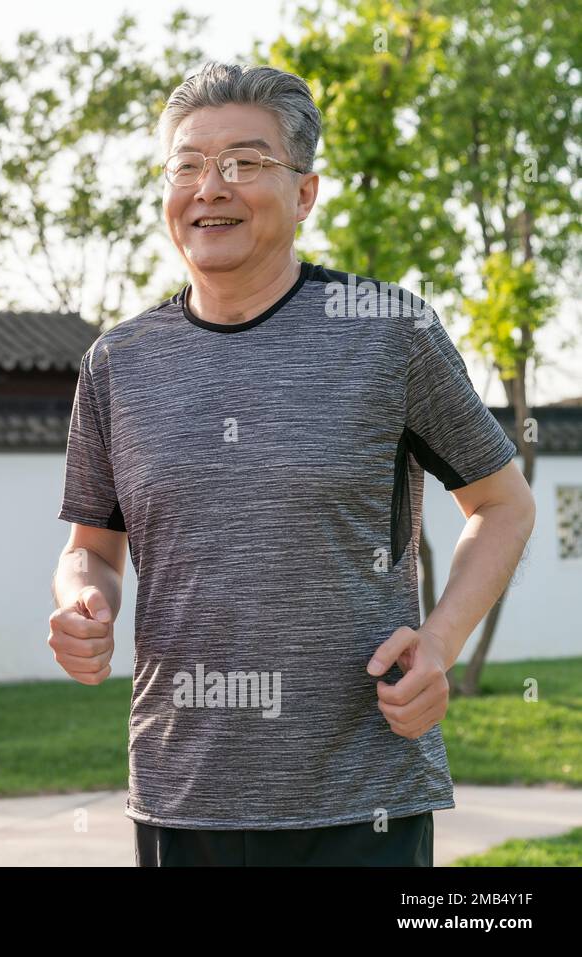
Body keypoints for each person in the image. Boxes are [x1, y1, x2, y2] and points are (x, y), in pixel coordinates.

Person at [49, 61, 536, 866]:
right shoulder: (118, 362)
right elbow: (91, 550)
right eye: (188, 165)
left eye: (245, 162)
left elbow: (503, 504)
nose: (211, 187)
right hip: (183, 792)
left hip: (362, 794)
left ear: (305, 193)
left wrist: (441, 642)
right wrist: (80, 605)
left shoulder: (389, 333)